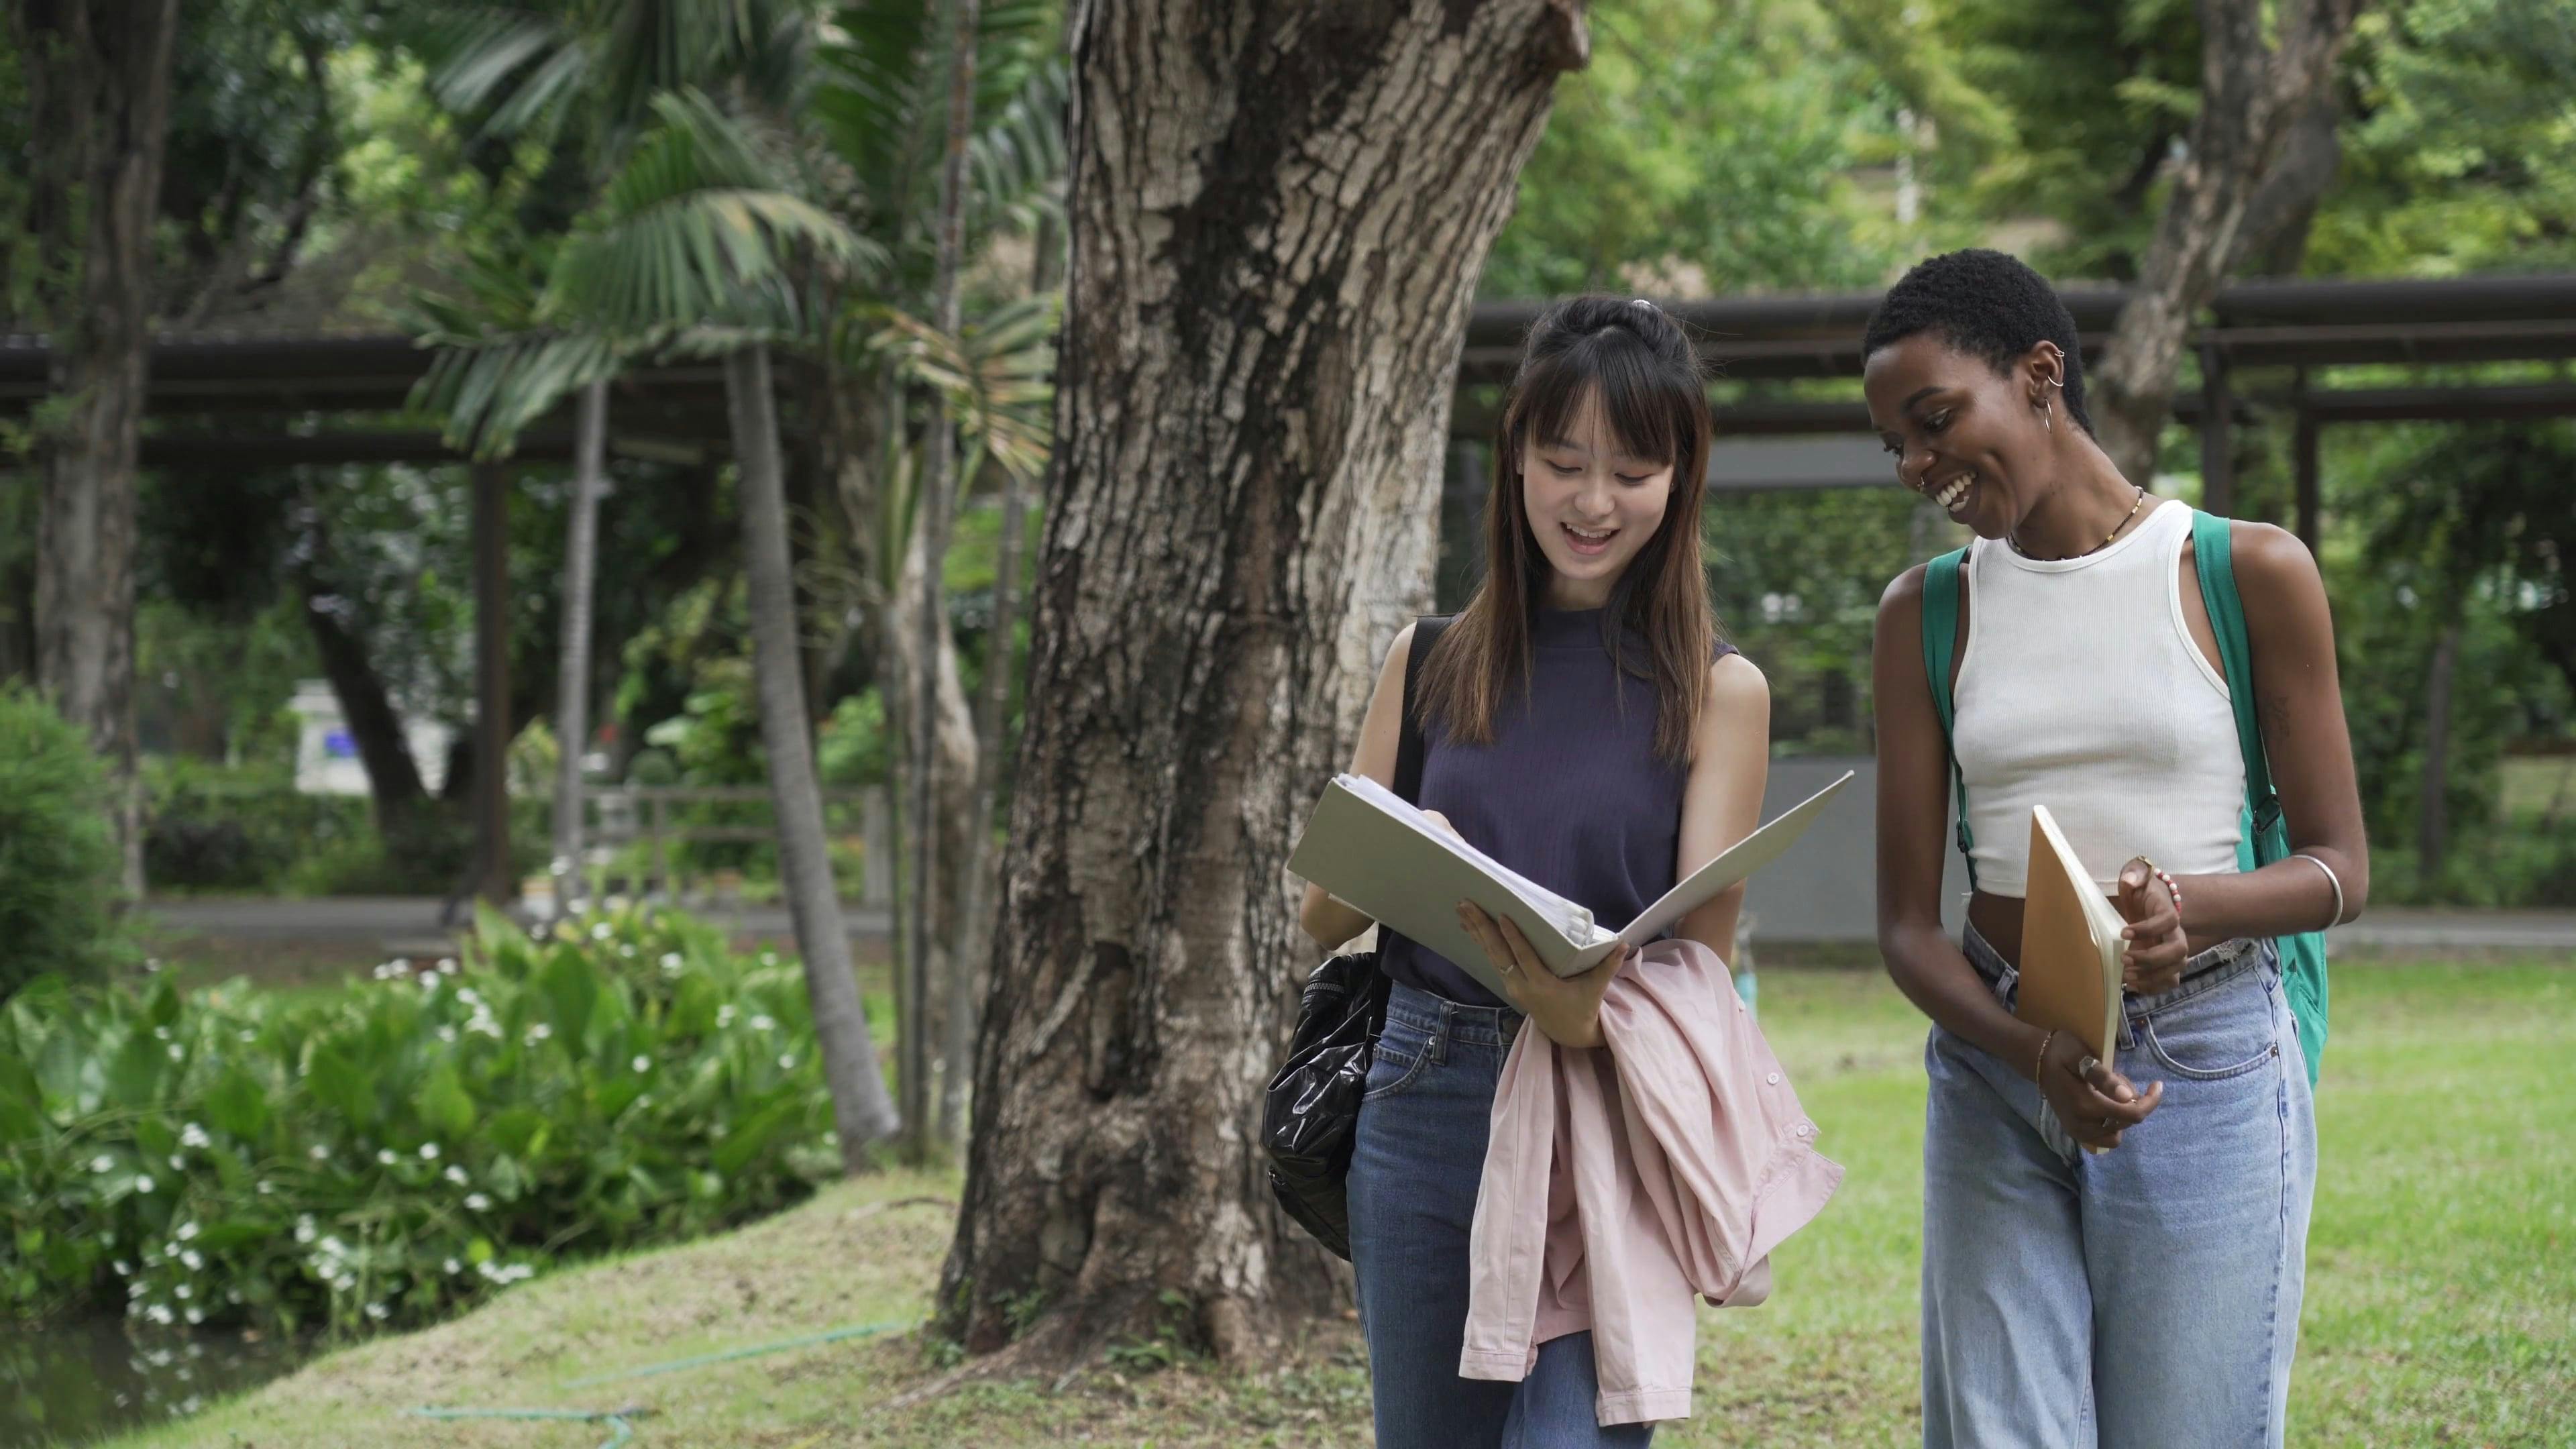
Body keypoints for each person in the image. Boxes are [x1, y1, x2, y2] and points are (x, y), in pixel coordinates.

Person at [1864, 248, 2369, 1448]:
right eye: (1899, 445)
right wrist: (2033, 1049)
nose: (1918, 467)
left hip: (2204, 1055)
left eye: (1935, 423)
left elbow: (2343, 868)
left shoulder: (2243, 572)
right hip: (2001, 1056)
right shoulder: (1928, 612)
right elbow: (1905, 928)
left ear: (2042, 376)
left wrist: (2190, 905)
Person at [1296, 294, 1772, 1448]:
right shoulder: (1428, 661)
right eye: (1564, 463)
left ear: (1681, 477)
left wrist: (1580, 1011)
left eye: (1633, 470)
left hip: (1602, 1109)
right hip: (1421, 1097)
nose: (1594, 503)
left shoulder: (1720, 691)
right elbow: (1324, 916)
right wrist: (1423, 863)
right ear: (1515, 456)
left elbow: (1695, 974)